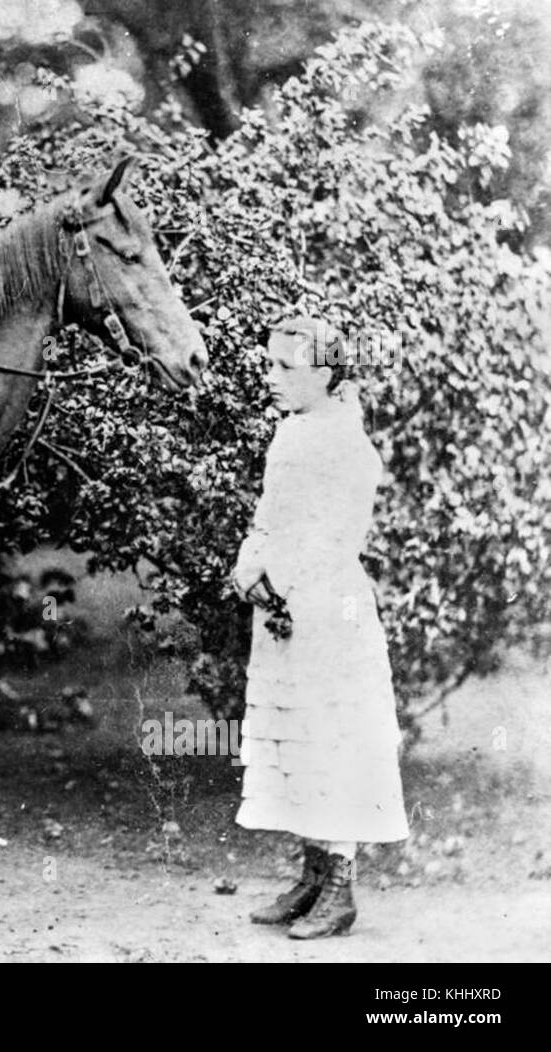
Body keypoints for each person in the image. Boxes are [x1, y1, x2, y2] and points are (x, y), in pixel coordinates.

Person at [231, 315, 409, 939]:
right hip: (283, 608)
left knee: (332, 735)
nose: (271, 377)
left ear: (326, 374)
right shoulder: (291, 435)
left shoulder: (348, 446)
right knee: (297, 736)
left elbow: (332, 540)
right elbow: (270, 516)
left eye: (286, 368)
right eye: (270, 364)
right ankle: (311, 875)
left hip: (328, 611)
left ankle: (341, 888)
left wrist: (277, 579)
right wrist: (248, 566)